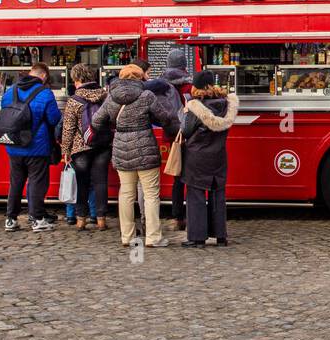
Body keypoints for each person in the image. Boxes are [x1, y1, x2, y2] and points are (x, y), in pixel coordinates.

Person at [92, 64, 180, 248]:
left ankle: (128, 237)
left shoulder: (111, 98)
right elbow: (164, 118)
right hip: (145, 147)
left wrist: (114, 127)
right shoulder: (146, 96)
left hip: (121, 148)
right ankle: (153, 237)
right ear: (140, 78)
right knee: (150, 194)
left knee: (126, 193)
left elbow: (96, 121)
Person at [178, 70, 238, 247]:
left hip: (197, 157)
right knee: (218, 193)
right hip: (218, 155)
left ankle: (197, 238)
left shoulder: (196, 107)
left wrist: (183, 112)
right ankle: (221, 236)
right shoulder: (226, 105)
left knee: (195, 195)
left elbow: (186, 130)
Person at [0, 63, 63, 233]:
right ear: (43, 76)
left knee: (16, 183)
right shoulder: (44, 93)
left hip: (13, 146)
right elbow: (53, 118)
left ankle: (10, 219)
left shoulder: (10, 91)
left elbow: (5, 112)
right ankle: (37, 219)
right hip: (37, 147)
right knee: (36, 181)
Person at [60, 63, 111, 230]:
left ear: (78, 79)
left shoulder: (74, 100)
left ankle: (81, 220)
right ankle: (101, 219)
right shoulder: (105, 96)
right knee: (100, 182)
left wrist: (65, 151)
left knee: (82, 182)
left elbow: (68, 129)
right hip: (103, 144)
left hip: (81, 147)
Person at [147, 49, 194, 229]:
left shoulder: (161, 85)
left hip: (172, 136)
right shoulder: (189, 86)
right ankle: (192, 216)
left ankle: (177, 218)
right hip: (189, 135)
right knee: (191, 178)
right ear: (184, 65)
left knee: (177, 177)